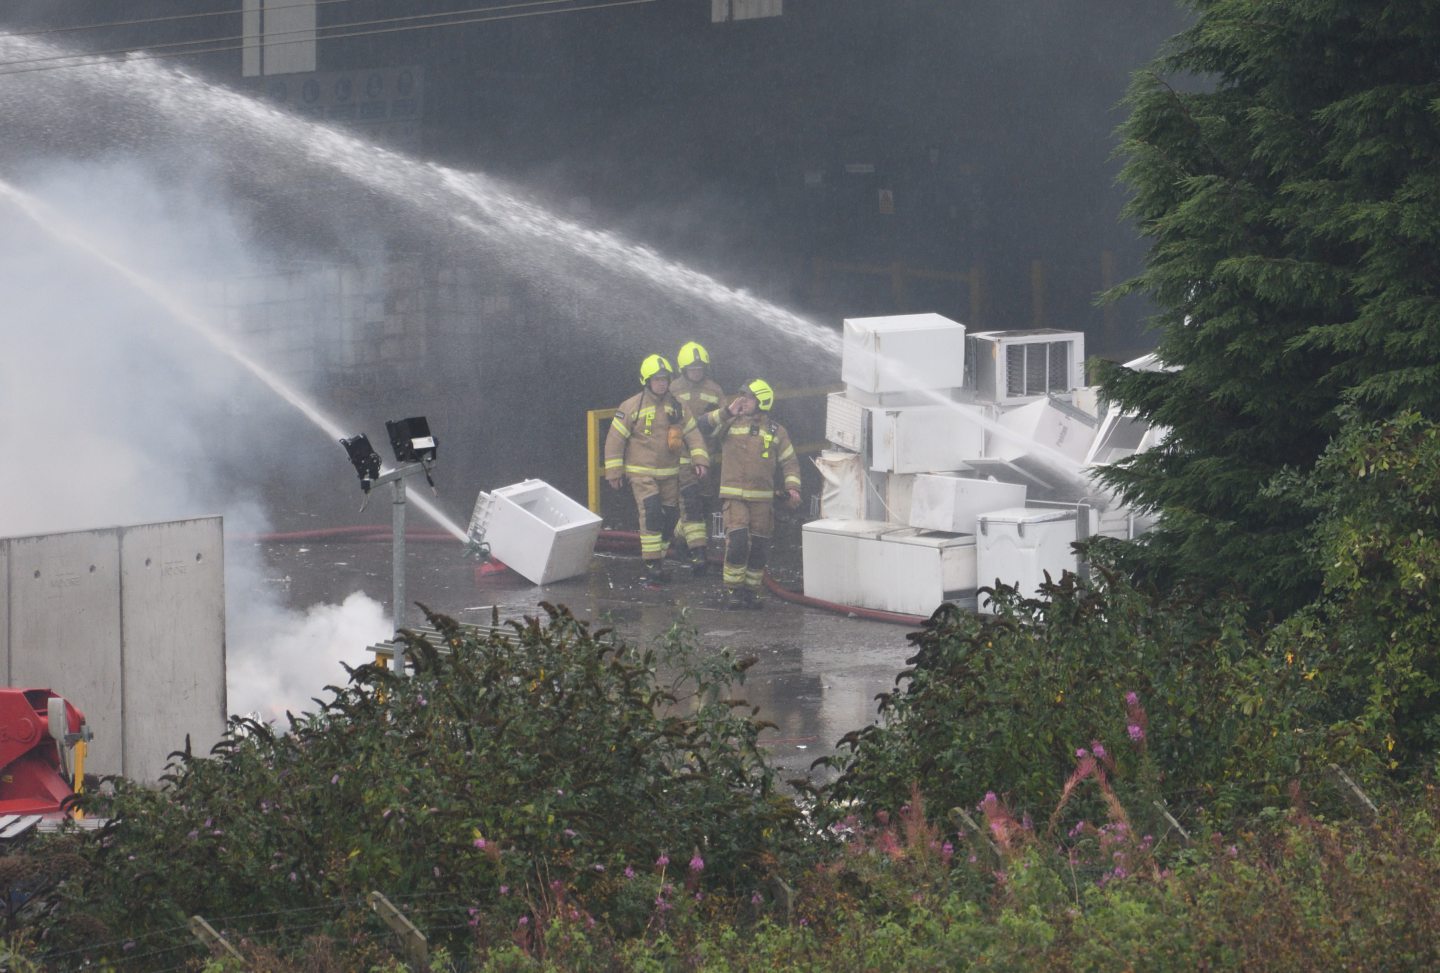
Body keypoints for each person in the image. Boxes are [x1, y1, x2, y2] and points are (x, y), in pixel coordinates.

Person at [604, 354, 710, 584]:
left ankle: (658, 559)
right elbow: (615, 440)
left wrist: (700, 460)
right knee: (651, 512)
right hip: (641, 473)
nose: (662, 383)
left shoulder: (677, 406)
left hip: (670, 473)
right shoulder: (631, 406)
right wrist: (614, 472)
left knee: (670, 517)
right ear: (647, 381)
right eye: (657, 379)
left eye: (665, 379)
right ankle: (652, 565)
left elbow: (692, 434)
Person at [697, 379, 801, 609]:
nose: (743, 401)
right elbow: (701, 426)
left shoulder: (776, 431)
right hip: (734, 496)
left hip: (762, 499)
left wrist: (793, 487)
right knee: (738, 541)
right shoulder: (729, 423)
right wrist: (727, 411)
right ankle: (733, 591)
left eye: (749, 398)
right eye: (742, 396)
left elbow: (790, 462)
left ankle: (751, 591)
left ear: (762, 401)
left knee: (760, 547)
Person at [669, 341, 725, 574]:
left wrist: (715, 433)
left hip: (707, 457)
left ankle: (678, 540)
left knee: (702, 504)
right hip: (681, 458)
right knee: (690, 503)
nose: (696, 371)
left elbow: (725, 419)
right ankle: (698, 555)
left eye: (700, 368)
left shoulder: (715, 390)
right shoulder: (672, 389)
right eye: (692, 368)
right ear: (683, 368)